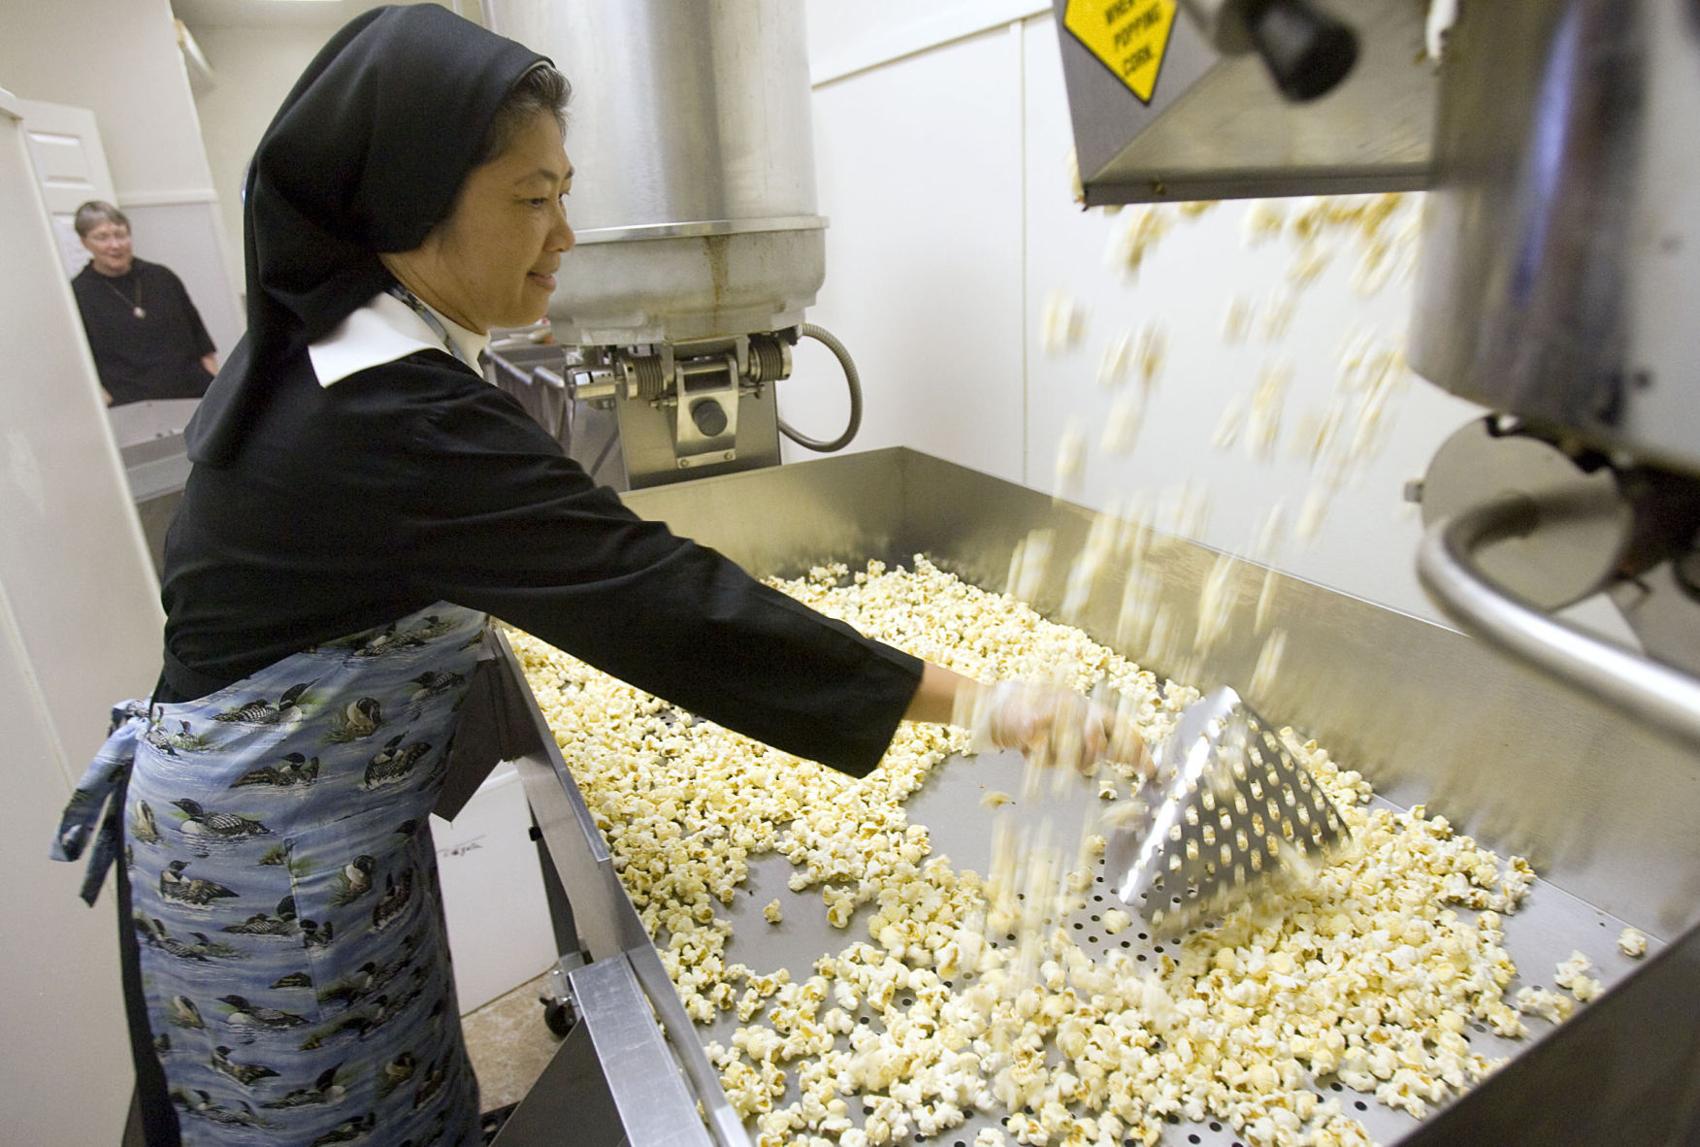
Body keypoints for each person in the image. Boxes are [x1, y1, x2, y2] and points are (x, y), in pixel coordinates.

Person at [49, 8, 1137, 1146]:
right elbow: (662, 602)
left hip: (298, 840)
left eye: (565, 191)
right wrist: (987, 702)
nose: (565, 231)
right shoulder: (391, 409)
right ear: (414, 198)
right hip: (272, 881)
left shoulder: (341, 349)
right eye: (531, 198)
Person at [69, 201, 219, 407]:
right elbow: (80, 362)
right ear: (84, 242)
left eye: (120, 235)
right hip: (133, 406)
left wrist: (215, 387)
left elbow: (201, 340)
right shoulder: (78, 293)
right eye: (101, 237)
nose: (115, 245)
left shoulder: (162, 277)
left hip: (194, 394)